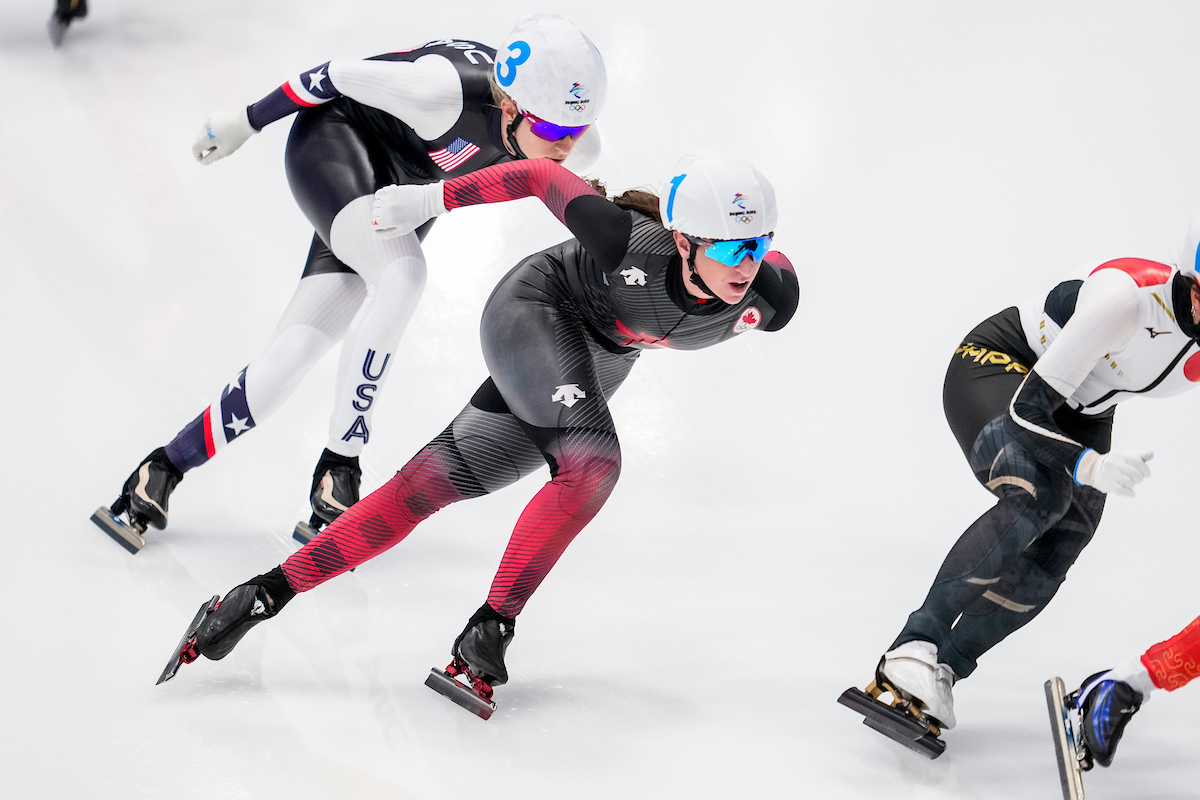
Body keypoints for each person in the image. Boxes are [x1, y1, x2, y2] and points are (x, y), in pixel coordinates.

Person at [159, 151, 799, 715]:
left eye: (757, 245)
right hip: (536, 310)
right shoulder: (623, 241)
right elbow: (540, 173)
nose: (746, 264)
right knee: (593, 465)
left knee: (428, 486)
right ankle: (491, 627)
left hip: (599, 357)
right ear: (683, 240)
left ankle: (255, 596)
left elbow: (781, 270)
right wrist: (427, 199)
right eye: (729, 247)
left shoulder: (769, 297)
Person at [91, 14, 607, 554]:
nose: (567, 147)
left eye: (578, 129)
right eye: (552, 132)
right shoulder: (439, 91)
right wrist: (243, 122)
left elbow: (527, 176)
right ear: (508, 108)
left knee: (283, 366)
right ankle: (341, 463)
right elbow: (333, 74)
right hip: (334, 142)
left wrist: (432, 199)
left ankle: (163, 467)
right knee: (404, 275)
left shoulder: (565, 131)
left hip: (405, 192)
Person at [849, 215, 1200, 742]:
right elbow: (1028, 411)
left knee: (1068, 536)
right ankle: (913, 646)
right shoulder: (1126, 298)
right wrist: (1090, 465)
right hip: (1004, 370)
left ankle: (944, 669)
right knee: (1040, 495)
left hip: (1083, 411)